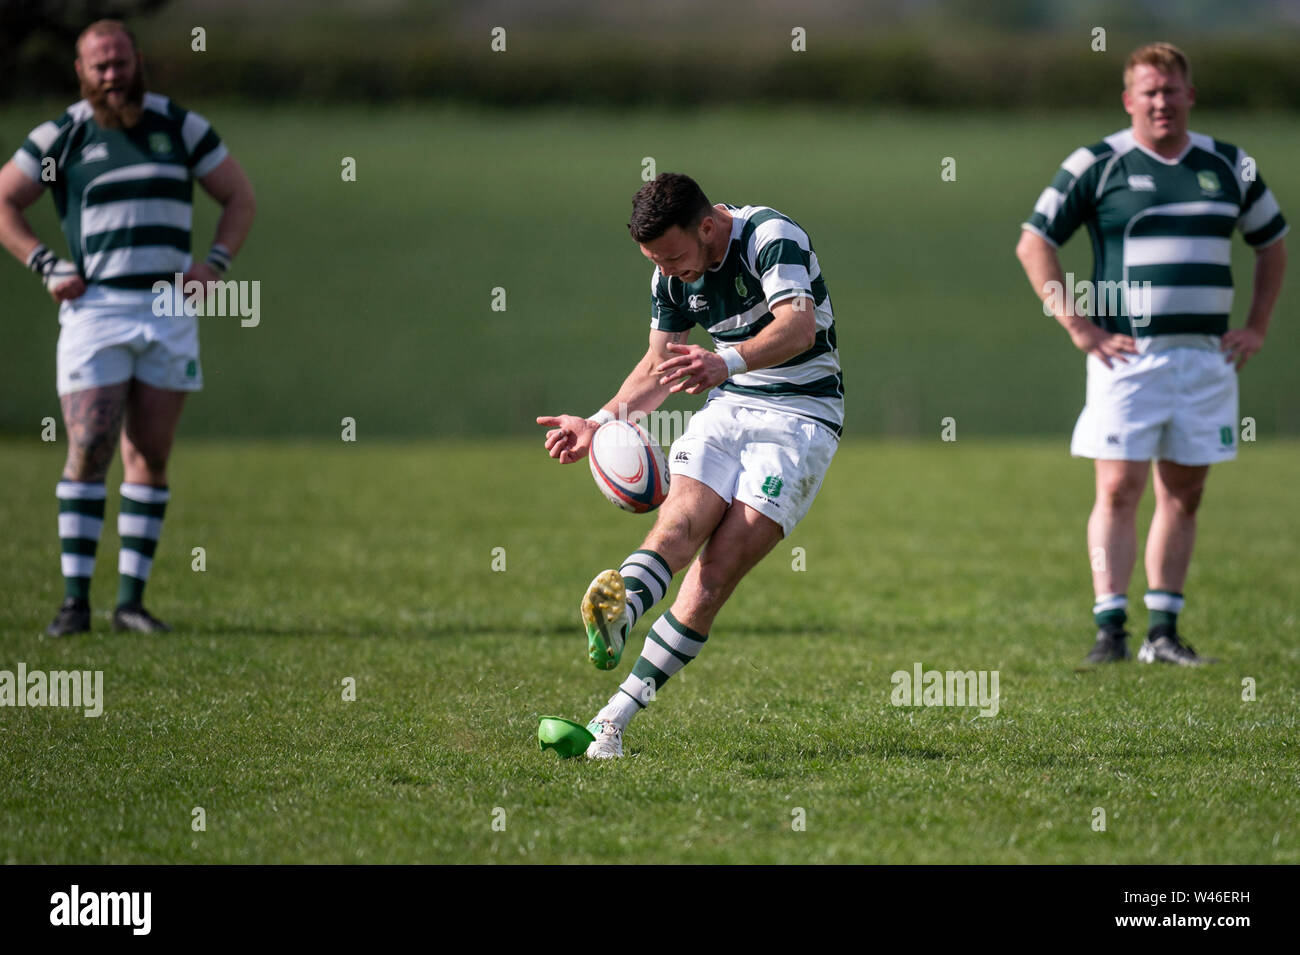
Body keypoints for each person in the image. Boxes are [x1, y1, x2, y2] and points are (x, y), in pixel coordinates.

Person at [537, 172, 842, 757]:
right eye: (656, 260)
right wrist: (598, 423)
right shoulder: (670, 277)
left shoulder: (769, 237)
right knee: (677, 523)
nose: (670, 270)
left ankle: (611, 722)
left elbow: (799, 327)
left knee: (713, 574)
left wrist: (724, 362)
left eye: (675, 256)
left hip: (801, 420)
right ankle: (619, 608)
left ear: (707, 226)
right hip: (728, 407)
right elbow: (658, 366)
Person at [1015, 42, 1286, 666]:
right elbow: (1035, 243)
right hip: (1126, 359)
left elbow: (1271, 243)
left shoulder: (1229, 164)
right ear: (1129, 99)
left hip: (1206, 359)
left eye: (1172, 90)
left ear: (1190, 95)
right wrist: (1079, 327)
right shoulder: (1099, 162)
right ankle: (1111, 629)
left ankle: (1164, 632)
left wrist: (1257, 325)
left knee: (1185, 492)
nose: (1162, 102)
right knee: (1117, 487)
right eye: (1150, 91)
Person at [0, 19, 256, 636]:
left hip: (168, 307)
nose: (112, 74)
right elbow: (4, 199)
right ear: (82, 73)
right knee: (89, 447)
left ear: (137, 61)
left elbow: (239, 197)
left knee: (150, 453)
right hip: (98, 309)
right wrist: (43, 262)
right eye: (99, 65)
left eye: (120, 61)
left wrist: (216, 263)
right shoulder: (63, 136)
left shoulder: (179, 126)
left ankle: (131, 604)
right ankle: (74, 602)